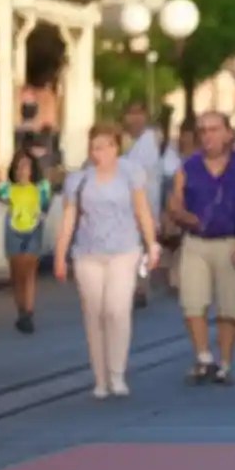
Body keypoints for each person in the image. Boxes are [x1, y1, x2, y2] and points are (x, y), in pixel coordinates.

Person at [54, 123, 162, 398]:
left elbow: (142, 210)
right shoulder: (78, 180)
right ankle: (100, 378)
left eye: (105, 146)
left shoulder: (130, 174)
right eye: (95, 147)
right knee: (94, 313)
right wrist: (60, 254)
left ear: (116, 147)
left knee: (116, 309)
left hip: (124, 250)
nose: (99, 152)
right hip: (87, 252)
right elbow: (69, 218)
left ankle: (117, 373)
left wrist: (152, 245)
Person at [168, 112, 235, 384]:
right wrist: (182, 216)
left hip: (230, 242)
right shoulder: (188, 168)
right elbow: (174, 203)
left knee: (228, 307)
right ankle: (203, 356)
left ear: (229, 134)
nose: (208, 135)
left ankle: (225, 363)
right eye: (203, 130)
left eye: (214, 129)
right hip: (196, 242)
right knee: (192, 302)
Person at [0, 149, 53, 333]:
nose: (22, 170)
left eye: (25, 166)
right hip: (13, 230)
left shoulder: (41, 187)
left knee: (29, 271)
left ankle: (28, 311)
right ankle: (21, 310)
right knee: (17, 273)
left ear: (32, 168)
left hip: (33, 230)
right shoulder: (9, 189)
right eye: (18, 167)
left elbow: (45, 205)